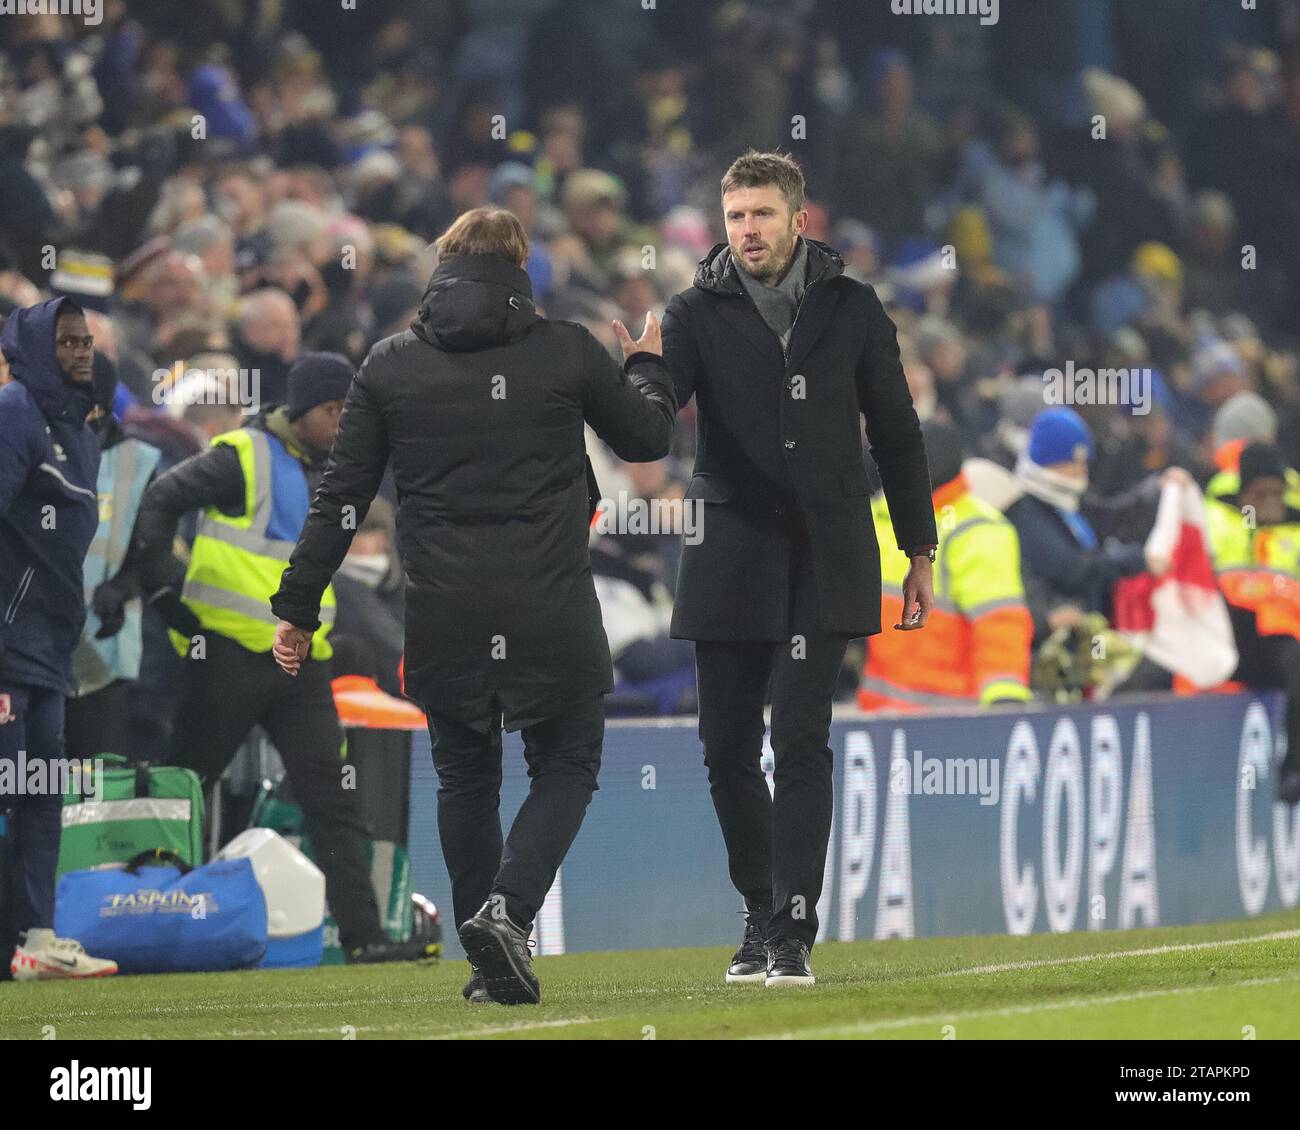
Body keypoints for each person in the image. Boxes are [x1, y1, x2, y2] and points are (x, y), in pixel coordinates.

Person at [269, 207, 677, 1005]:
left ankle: (488, 958)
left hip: (444, 612)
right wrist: (648, 366)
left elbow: (341, 498)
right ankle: (508, 915)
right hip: (550, 602)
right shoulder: (567, 350)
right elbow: (647, 440)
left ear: (442, 266)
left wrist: (297, 604)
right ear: (522, 267)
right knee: (567, 762)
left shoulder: (389, 366)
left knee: (465, 780)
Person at [660, 151, 937, 986]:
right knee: (724, 747)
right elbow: (651, 417)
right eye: (735, 216)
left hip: (826, 552)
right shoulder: (691, 312)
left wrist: (919, 550)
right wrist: (635, 369)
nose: (747, 231)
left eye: (761, 216)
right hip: (729, 551)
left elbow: (897, 431)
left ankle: (793, 930)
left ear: (797, 218)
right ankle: (759, 910)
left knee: (802, 735)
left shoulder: (852, 306)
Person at [129, 351, 433, 965]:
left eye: (350, 410)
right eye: (332, 410)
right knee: (186, 788)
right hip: (227, 654)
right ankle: (144, 924)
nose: (343, 421)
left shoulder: (334, 471)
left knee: (330, 797)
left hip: (299, 662)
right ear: (299, 410)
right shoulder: (242, 455)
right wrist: (163, 587)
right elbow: (159, 498)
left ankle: (366, 938)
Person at [0, 298, 118, 979]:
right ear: (39, 349)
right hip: (9, 645)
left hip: (48, 649)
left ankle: (35, 939)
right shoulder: (15, 412)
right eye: (68, 342)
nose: (82, 352)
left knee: (42, 793)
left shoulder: (78, 428)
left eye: (87, 343)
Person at [859, 421, 1033, 712]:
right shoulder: (880, 516)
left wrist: (1005, 701)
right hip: (880, 721)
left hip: (953, 722)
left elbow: (999, 624)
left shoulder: (976, 531)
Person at [1205, 442, 1300, 803]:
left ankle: (1293, 769)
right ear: (1243, 493)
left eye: (1278, 493)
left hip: (1279, 638)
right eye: (1260, 493)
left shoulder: (1294, 528)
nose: (1271, 501)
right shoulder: (1216, 521)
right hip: (1226, 634)